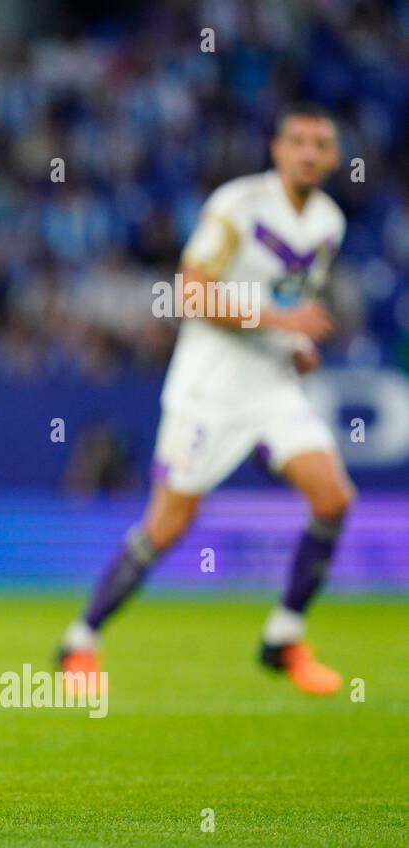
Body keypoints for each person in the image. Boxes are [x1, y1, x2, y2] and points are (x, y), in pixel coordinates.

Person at [58, 104, 353, 695]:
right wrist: (282, 320)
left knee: (333, 497)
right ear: (276, 149)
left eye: (320, 143)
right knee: (167, 526)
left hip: (271, 388)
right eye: (297, 140)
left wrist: (294, 341)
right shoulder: (237, 206)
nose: (308, 152)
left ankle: (282, 637)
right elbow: (190, 295)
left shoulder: (329, 222)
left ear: (334, 157)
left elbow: (287, 297)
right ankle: (80, 641)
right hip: (209, 390)